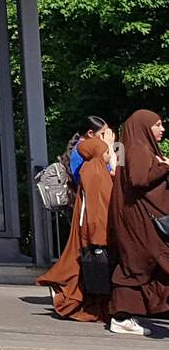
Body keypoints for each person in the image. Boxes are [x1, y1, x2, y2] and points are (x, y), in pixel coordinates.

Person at [37, 131, 116, 321]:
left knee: (78, 268)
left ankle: (68, 296)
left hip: (87, 230)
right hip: (93, 232)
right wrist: (98, 236)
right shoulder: (96, 172)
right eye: (106, 151)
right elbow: (96, 206)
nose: (108, 155)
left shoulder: (90, 170)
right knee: (83, 269)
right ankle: (69, 300)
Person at [108, 109, 169, 335]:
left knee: (140, 266)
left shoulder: (132, 146)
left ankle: (124, 315)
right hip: (142, 222)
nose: (162, 129)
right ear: (144, 126)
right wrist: (164, 166)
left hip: (138, 220)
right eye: (157, 125)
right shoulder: (139, 148)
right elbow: (139, 178)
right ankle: (122, 316)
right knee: (142, 264)